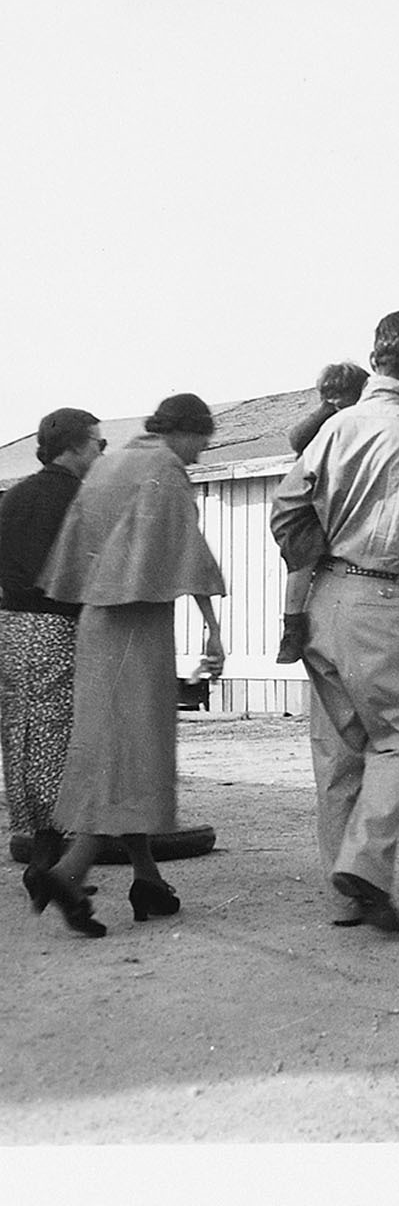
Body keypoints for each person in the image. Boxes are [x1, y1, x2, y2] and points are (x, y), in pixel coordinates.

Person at [270, 309, 399, 934]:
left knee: (339, 751)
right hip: (380, 594)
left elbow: (288, 507)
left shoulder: (333, 428)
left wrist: (317, 554)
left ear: (375, 358)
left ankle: (345, 896)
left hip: (322, 597)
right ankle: (366, 865)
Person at [32, 394, 226, 938]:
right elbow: (187, 549)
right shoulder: (164, 468)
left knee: (110, 747)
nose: (200, 454)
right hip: (138, 625)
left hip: (96, 621)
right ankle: (69, 873)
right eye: (202, 441)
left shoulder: (109, 462)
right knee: (135, 754)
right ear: (185, 431)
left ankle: (148, 878)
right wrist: (213, 628)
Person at [0, 407, 105, 897]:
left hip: (11, 626)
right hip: (57, 624)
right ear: (77, 446)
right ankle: (48, 860)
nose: (101, 453)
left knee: (23, 734)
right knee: (60, 736)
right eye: (98, 444)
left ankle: (44, 849)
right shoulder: (78, 498)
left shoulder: (15, 495)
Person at [277, 361, 370, 665]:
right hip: (305, 506)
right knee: (303, 558)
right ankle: (292, 628)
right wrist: (328, 409)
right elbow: (296, 438)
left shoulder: (355, 419)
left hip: (325, 502)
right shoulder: (328, 418)